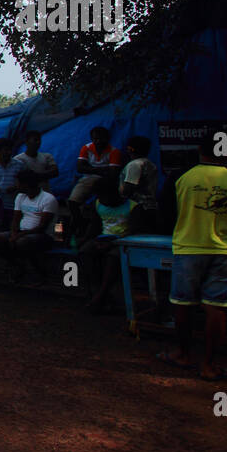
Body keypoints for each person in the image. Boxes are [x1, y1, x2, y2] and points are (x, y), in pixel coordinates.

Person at [159, 131, 227, 381]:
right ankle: (209, 365)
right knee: (217, 307)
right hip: (225, 250)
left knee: (183, 304)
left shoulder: (181, 177)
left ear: (200, 149)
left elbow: (165, 215)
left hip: (188, 248)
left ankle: (183, 354)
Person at [0, 169, 57, 287]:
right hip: (22, 232)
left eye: (18, 183)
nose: (15, 185)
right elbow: (16, 219)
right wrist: (13, 233)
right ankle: (16, 264)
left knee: (22, 243)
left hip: (42, 235)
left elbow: (42, 227)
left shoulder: (48, 199)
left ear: (25, 184)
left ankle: (40, 273)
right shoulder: (21, 197)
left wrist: (18, 235)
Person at [79, 178, 135, 314]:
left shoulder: (133, 207)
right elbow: (95, 226)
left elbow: (134, 232)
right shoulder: (98, 204)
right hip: (103, 239)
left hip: (124, 242)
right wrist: (87, 239)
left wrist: (112, 243)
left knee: (113, 256)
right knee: (85, 251)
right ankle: (96, 291)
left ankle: (101, 295)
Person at [67, 126, 124, 241]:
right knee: (72, 201)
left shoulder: (114, 151)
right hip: (89, 178)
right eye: (95, 139)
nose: (98, 142)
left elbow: (113, 173)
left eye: (100, 139)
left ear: (107, 139)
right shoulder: (87, 148)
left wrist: (91, 168)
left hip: (106, 181)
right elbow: (80, 167)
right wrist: (100, 170)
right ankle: (79, 223)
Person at [118, 135, 159, 234]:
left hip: (138, 208)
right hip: (150, 206)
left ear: (130, 149)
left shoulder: (135, 165)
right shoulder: (150, 164)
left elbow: (129, 187)